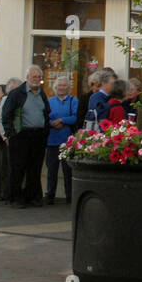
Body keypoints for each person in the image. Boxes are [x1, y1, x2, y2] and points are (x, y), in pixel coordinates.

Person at [2, 67, 50, 208]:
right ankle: (15, 198)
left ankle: (31, 197)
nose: (36, 79)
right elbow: (7, 115)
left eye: (39, 77)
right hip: (21, 136)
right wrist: (11, 134)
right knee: (18, 168)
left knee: (34, 168)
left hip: (38, 136)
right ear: (27, 77)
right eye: (33, 77)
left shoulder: (42, 94)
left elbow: (46, 113)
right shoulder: (17, 94)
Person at [44, 76, 78, 204]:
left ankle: (69, 195)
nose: (62, 88)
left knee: (68, 171)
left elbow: (75, 117)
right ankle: (50, 194)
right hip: (52, 140)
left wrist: (62, 120)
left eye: (64, 85)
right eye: (60, 85)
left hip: (67, 141)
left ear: (68, 87)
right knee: (51, 170)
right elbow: (46, 117)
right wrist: (52, 123)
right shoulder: (50, 101)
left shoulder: (73, 100)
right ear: (55, 87)